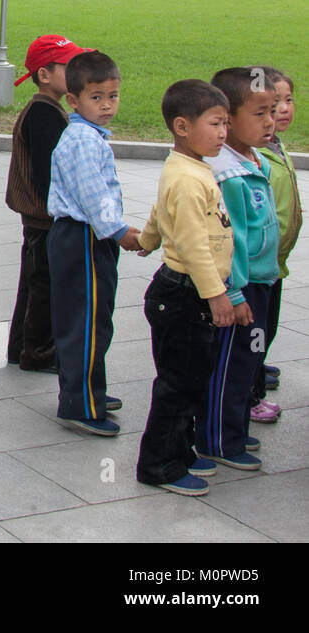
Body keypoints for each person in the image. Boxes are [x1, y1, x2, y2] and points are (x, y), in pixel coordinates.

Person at [134, 79, 236, 496]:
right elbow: (193, 245)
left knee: (192, 378)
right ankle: (158, 464)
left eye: (226, 123)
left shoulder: (187, 167)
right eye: (215, 123)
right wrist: (216, 294)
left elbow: (161, 211)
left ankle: (181, 449)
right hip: (185, 295)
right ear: (182, 125)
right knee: (178, 383)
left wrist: (147, 240)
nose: (224, 132)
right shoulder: (190, 178)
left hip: (185, 293)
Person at [46, 50, 141, 436]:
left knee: (92, 317)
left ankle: (88, 388)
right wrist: (119, 231)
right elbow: (92, 194)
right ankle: (80, 403)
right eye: (96, 97)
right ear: (74, 100)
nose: (106, 105)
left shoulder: (88, 135)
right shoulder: (84, 140)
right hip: (83, 237)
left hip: (85, 237)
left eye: (113, 96)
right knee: (85, 321)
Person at [195, 67, 280, 470]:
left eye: (274, 110)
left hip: (263, 281)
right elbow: (227, 242)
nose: (272, 120)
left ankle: (233, 426)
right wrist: (234, 292)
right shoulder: (227, 173)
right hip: (240, 288)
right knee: (231, 364)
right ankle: (216, 439)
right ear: (228, 121)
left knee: (250, 361)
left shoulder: (255, 159)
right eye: (260, 112)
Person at [4, 35, 89, 373]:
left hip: (41, 217)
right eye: (69, 66)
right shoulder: (43, 114)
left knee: (34, 282)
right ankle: (38, 352)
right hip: (45, 217)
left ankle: (21, 346)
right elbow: (46, 173)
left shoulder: (51, 110)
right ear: (44, 75)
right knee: (44, 285)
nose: (78, 72)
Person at [254, 69, 299, 419]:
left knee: (266, 328)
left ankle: (258, 368)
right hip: (259, 266)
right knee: (254, 332)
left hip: (276, 263)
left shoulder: (275, 146)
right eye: (269, 107)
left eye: (286, 101)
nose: (281, 111)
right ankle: (250, 393)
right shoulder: (255, 157)